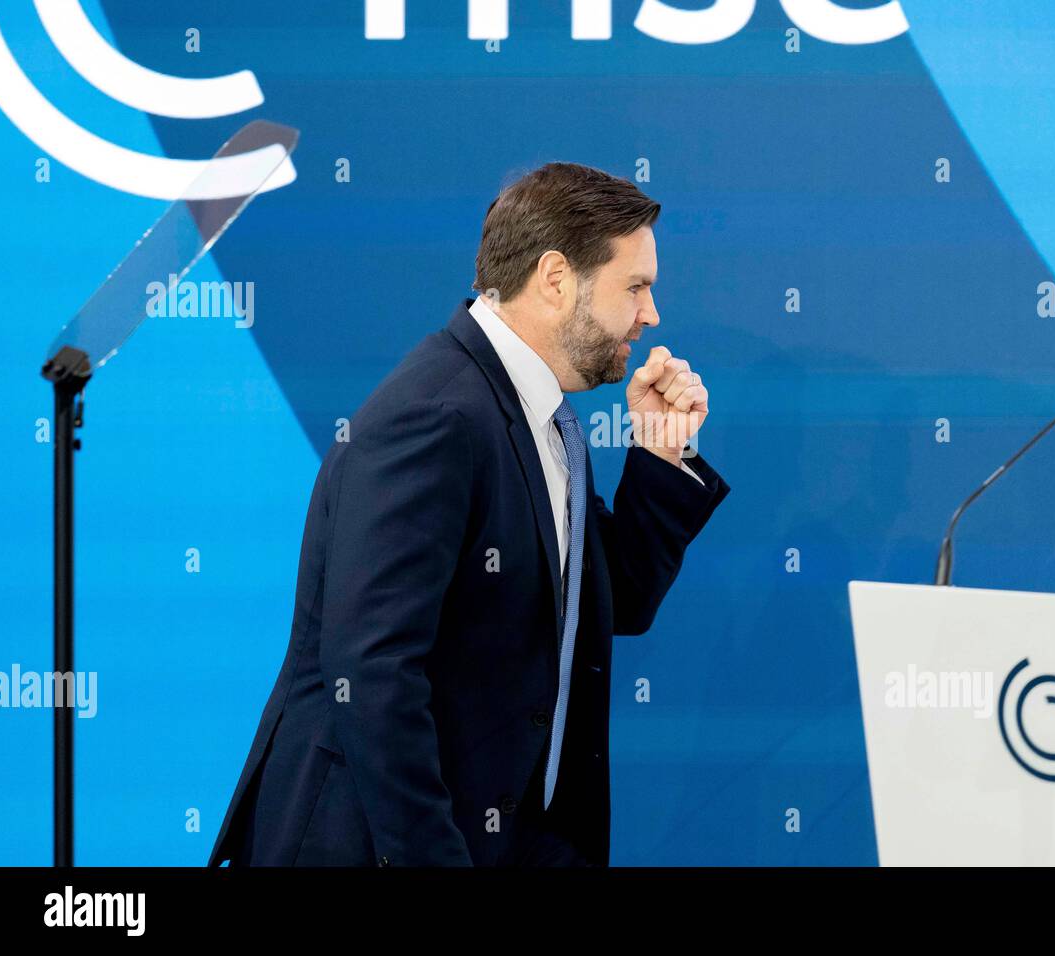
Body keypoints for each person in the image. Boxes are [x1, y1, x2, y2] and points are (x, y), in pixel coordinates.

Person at [207, 161, 730, 867]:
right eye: (635, 285)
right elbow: (372, 671)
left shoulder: (547, 418)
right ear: (555, 279)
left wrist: (661, 454)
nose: (651, 313)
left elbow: (608, 603)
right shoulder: (437, 413)